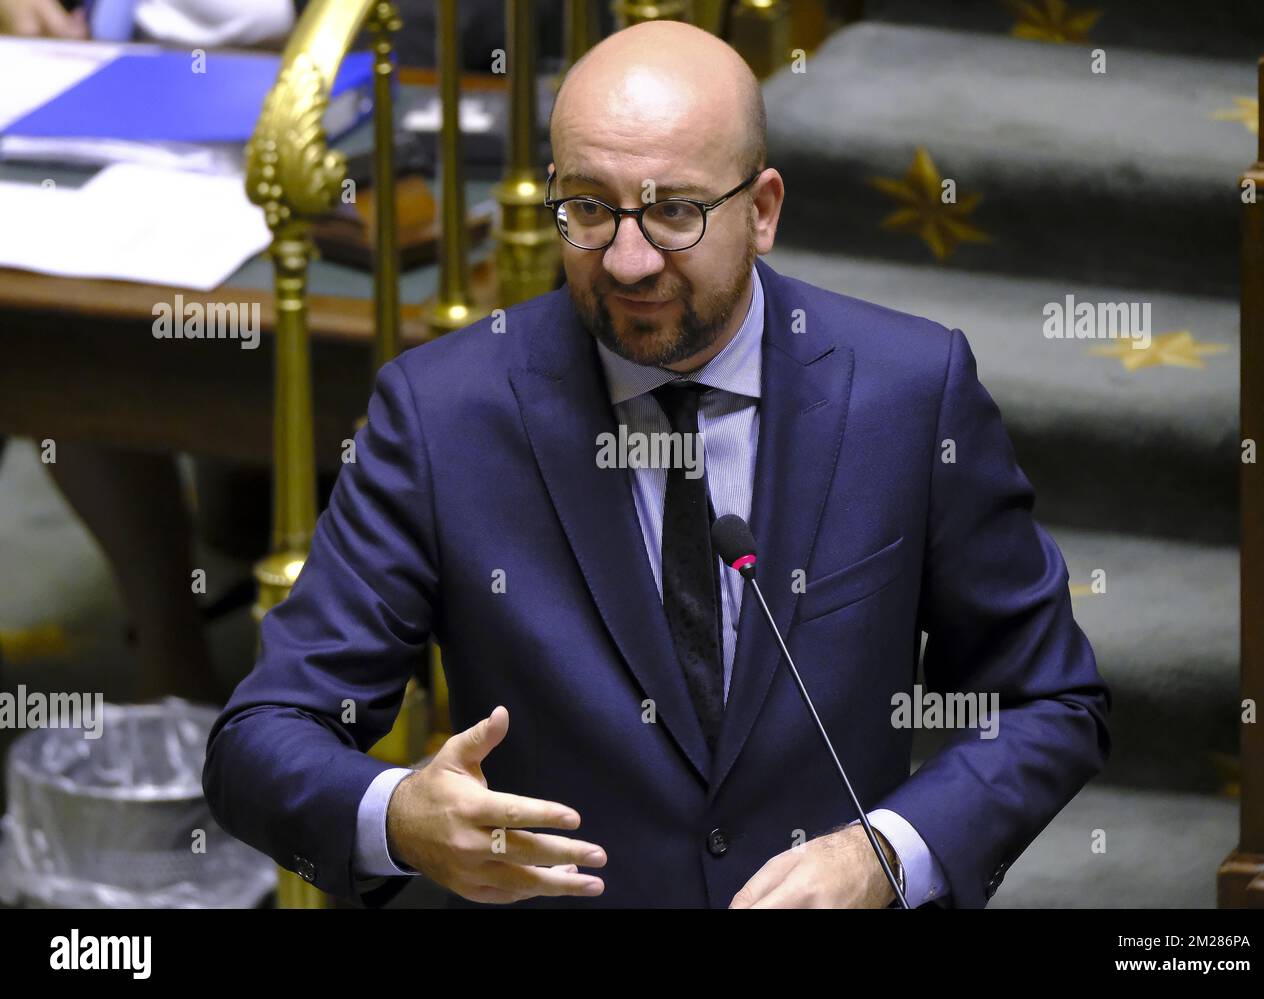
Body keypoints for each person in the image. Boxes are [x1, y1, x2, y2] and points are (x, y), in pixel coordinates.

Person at [203, 20, 1111, 909]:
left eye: (674, 210)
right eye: (590, 208)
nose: (628, 260)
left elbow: (1050, 700)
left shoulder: (909, 392)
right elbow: (260, 738)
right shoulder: (442, 414)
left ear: (761, 212)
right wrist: (400, 815)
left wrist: (890, 855)